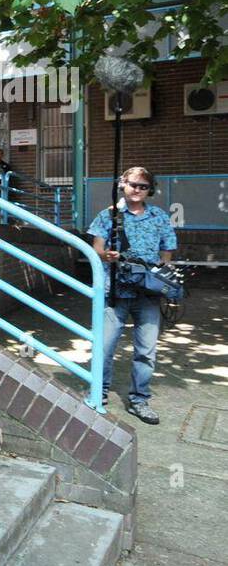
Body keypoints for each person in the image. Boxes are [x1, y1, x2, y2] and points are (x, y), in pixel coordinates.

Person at [89, 166, 177, 423]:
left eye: (143, 186)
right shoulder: (108, 216)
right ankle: (99, 393)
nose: (137, 190)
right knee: (104, 346)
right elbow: (97, 249)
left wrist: (162, 273)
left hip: (148, 293)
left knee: (146, 350)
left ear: (150, 189)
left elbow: (168, 248)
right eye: (133, 184)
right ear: (122, 184)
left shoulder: (159, 216)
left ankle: (140, 400)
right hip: (115, 290)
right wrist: (108, 256)